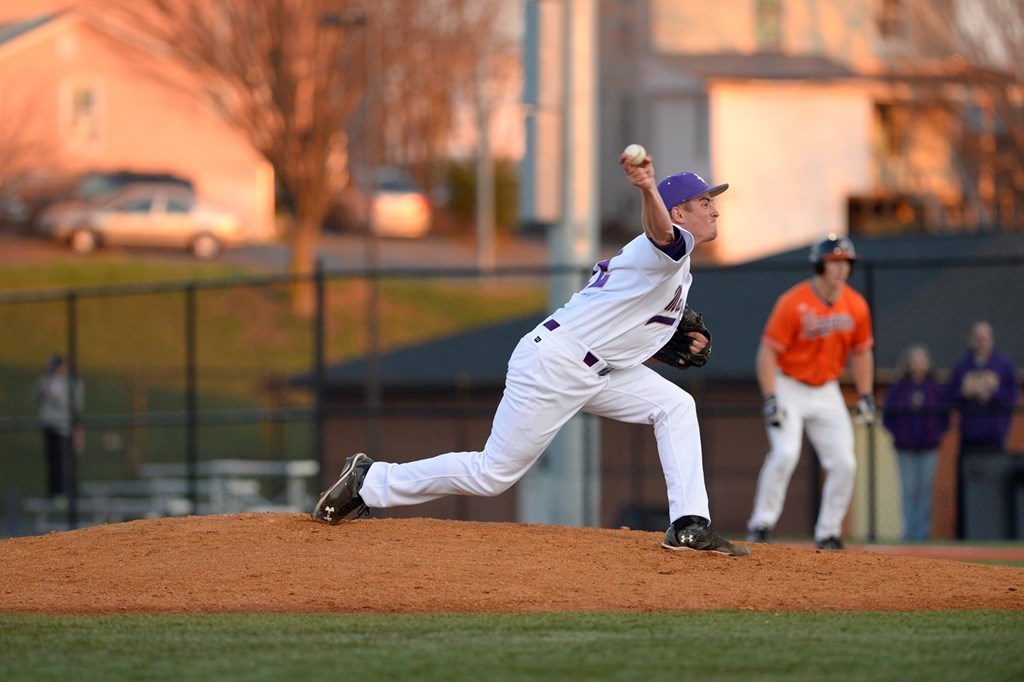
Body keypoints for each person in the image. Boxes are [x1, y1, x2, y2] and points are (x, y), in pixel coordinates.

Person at [313, 149, 750, 556]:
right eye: (703, 201)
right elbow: (660, 232)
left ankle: (689, 524)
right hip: (555, 365)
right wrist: (647, 189)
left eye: (713, 200)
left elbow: (620, 332)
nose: (714, 207)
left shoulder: (673, 271)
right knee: (492, 475)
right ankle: (369, 481)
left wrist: (668, 342)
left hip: (596, 368)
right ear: (678, 213)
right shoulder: (664, 251)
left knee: (675, 405)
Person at [746, 234, 875, 550]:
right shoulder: (793, 302)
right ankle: (761, 524)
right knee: (785, 453)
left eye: (846, 262)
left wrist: (866, 395)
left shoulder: (856, 304)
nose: (842, 268)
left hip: (827, 390)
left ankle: (828, 532)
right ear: (819, 264)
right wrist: (771, 397)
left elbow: (861, 352)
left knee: (845, 462)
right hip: (789, 385)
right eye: (835, 262)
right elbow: (767, 354)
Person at [949, 320, 1019, 538]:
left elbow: (1012, 398)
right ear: (971, 340)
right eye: (978, 338)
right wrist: (966, 393)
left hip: (994, 437)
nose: (982, 342)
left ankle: (997, 533)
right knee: (964, 488)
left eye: (985, 338)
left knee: (995, 486)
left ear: (992, 340)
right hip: (969, 437)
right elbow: (950, 397)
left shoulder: (1003, 365)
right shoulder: (962, 366)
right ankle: (963, 535)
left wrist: (992, 394)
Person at [882, 344, 950, 541]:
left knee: (925, 491)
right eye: (915, 360)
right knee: (909, 490)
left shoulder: (935, 388)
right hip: (905, 448)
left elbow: (945, 417)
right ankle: (909, 533)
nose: (919, 364)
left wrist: (935, 434)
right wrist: (899, 434)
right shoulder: (898, 388)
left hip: (929, 448)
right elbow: (888, 416)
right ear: (908, 363)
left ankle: (922, 534)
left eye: (922, 360)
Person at [30, 354, 85, 499]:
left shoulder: (71, 383)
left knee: (64, 462)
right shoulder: (46, 380)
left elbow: (72, 405)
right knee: (51, 461)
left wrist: (51, 393)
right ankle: (53, 492)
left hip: (64, 427)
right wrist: (42, 388)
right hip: (49, 426)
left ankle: (66, 493)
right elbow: (34, 398)